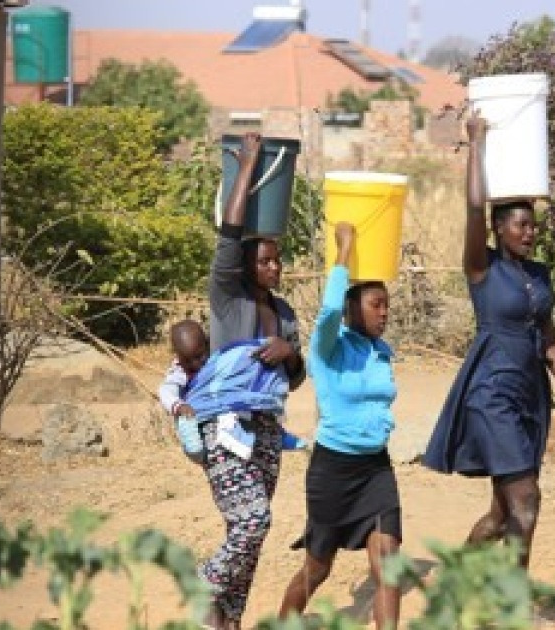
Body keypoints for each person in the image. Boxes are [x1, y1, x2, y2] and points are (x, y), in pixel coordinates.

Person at [422, 114, 555, 571]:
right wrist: (478, 144)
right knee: (527, 500)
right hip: (491, 392)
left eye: (532, 226)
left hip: (530, 397)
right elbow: (472, 208)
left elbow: (549, 342)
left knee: (503, 514)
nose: (529, 232)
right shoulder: (481, 267)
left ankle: (457, 576)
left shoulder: (538, 276)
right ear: (499, 229)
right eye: (519, 225)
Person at [200, 132, 306, 630]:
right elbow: (230, 231)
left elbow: (299, 378)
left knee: (250, 531)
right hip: (226, 426)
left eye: (277, 259)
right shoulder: (228, 296)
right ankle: (206, 584)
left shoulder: (282, 312)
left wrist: (290, 353)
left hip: (266, 429)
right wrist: (246, 167)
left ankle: (228, 620)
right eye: (264, 260)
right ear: (245, 265)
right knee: (252, 521)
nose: (274, 266)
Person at [278, 223, 402, 629]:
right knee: (318, 569)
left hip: (376, 470)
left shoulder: (381, 352)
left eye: (387, 305)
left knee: (388, 567)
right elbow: (329, 311)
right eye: (376, 304)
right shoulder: (327, 348)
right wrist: (345, 251)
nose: (384, 313)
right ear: (353, 308)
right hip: (333, 471)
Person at [158, 320, 307, 466]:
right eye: (187, 360)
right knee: (186, 422)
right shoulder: (178, 371)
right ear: (177, 357)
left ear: (208, 343)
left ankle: (278, 435)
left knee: (256, 405)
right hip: (197, 413)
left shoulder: (217, 357)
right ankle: (194, 449)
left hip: (224, 401)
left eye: (199, 356)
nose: (195, 364)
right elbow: (166, 391)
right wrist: (178, 405)